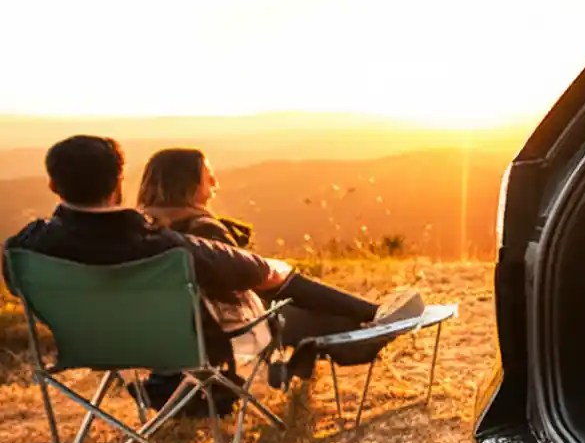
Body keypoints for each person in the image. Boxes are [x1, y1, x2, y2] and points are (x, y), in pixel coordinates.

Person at [1, 136, 422, 400]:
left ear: (53, 185)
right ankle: (373, 320)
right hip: (197, 347)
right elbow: (262, 272)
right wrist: (272, 268)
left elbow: (23, 291)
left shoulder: (23, 251)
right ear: (118, 180)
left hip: (99, 353)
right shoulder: (164, 245)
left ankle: (369, 322)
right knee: (281, 293)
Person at [136, 146, 422, 381]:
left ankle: (358, 324)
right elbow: (249, 285)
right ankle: (375, 318)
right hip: (222, 339)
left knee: (287, 298)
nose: (215, 185)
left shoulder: (139, 231)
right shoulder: (201, 232)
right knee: (312, 309)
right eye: (208, 178)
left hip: (154, 345)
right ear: (187, 185)